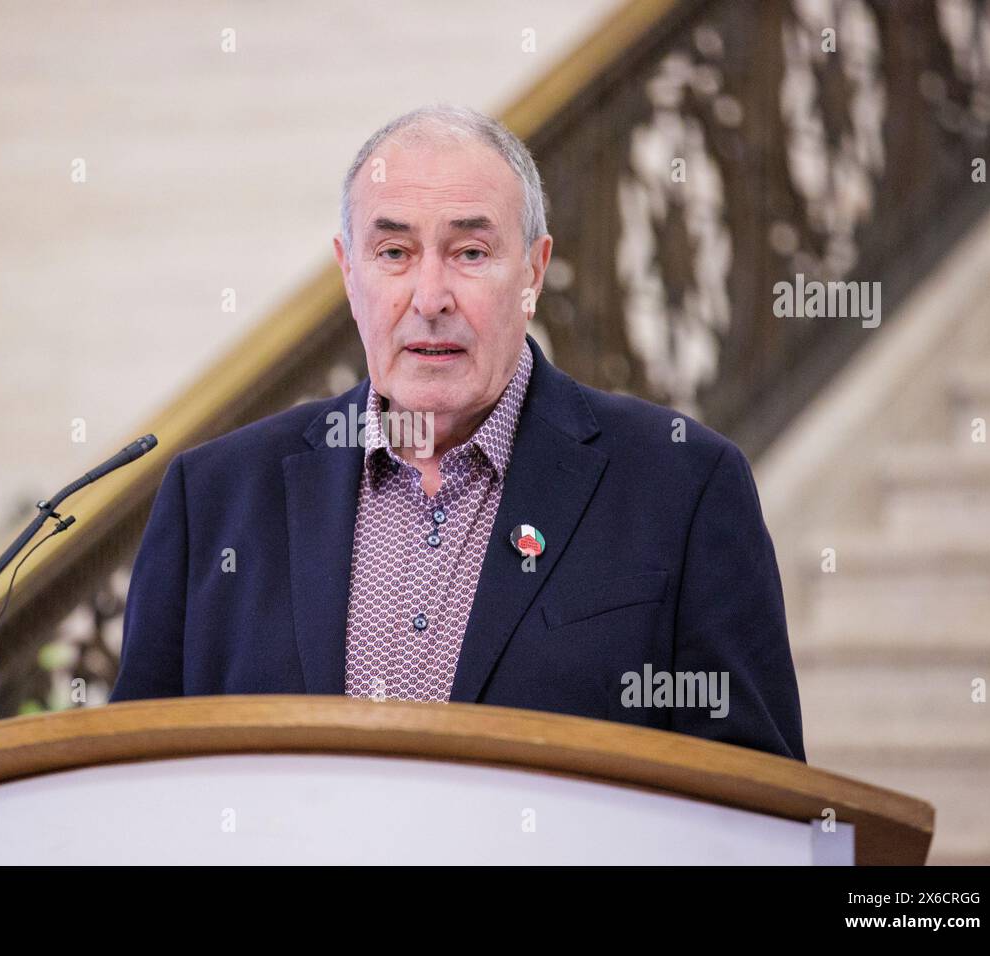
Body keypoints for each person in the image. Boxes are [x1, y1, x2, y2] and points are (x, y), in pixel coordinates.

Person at [111, 104, 805, 762]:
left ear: (533, 270)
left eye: (470, 252)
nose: (431, 297)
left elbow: (758, 806)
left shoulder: (683, 487)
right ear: (349, 274)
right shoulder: (212, 500)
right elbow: (136, 794)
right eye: (393, 253)